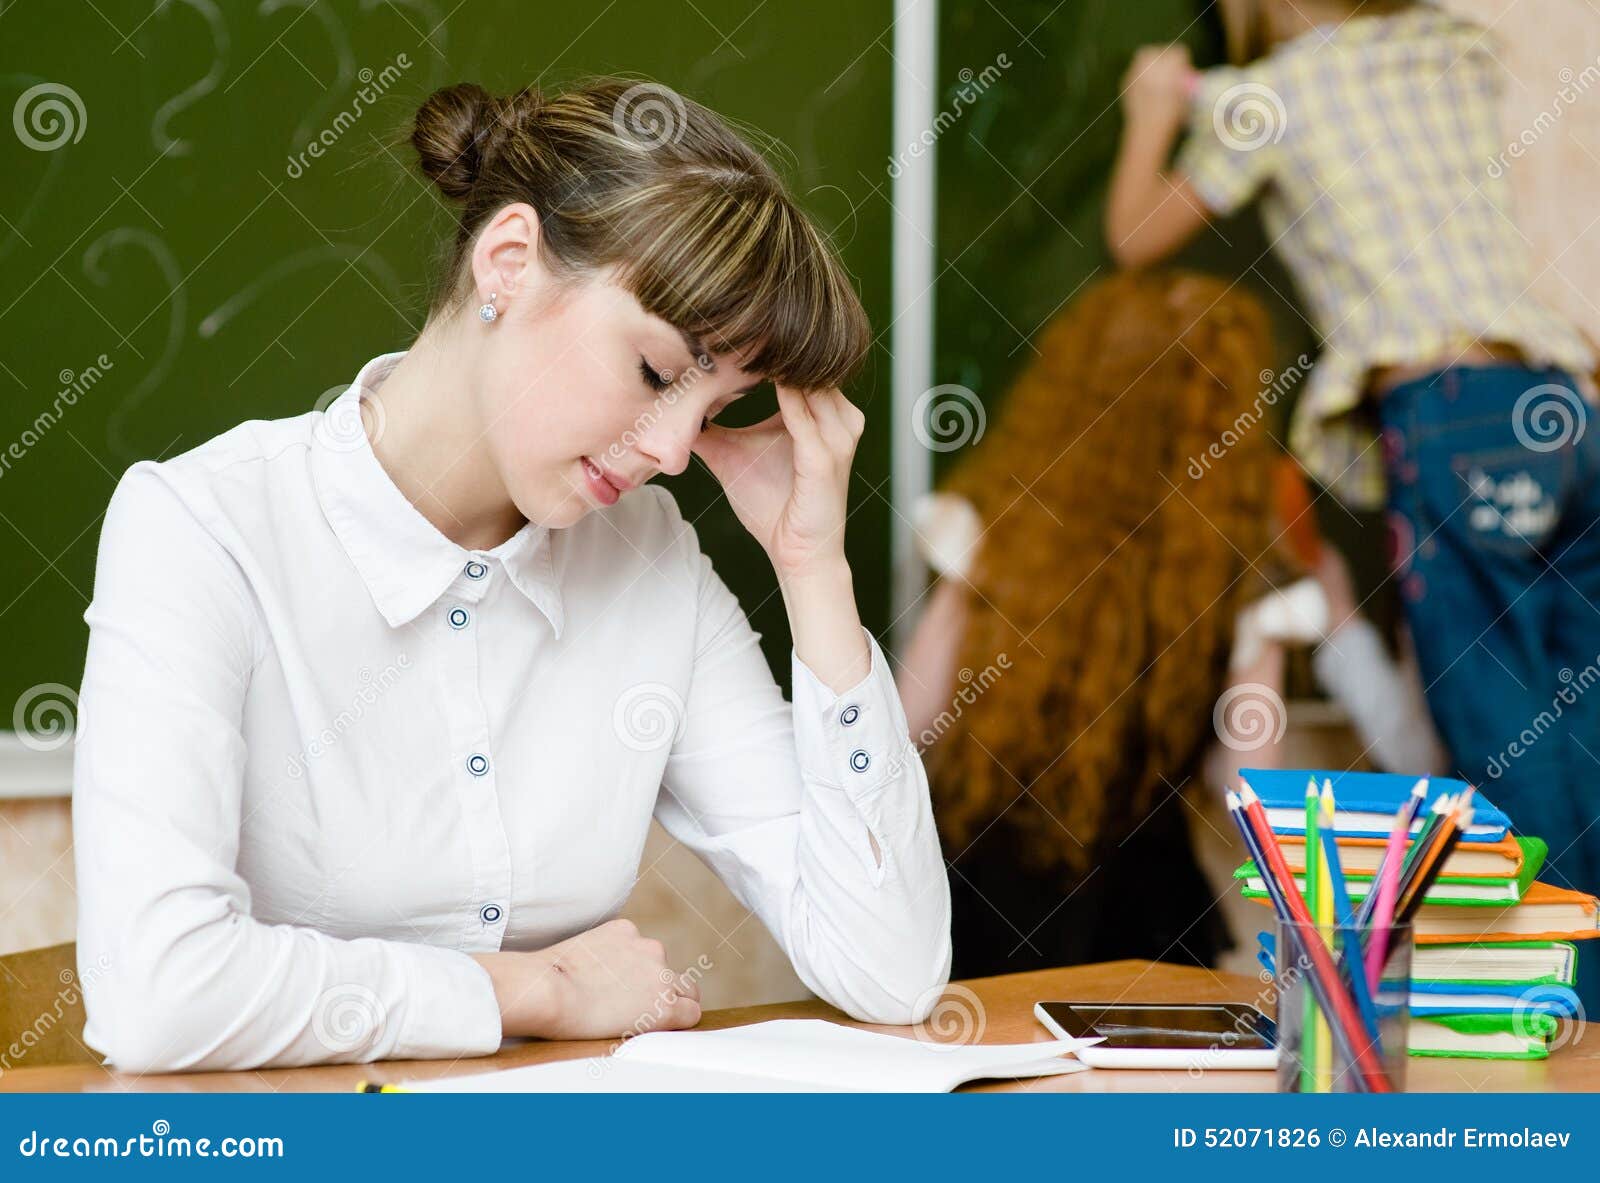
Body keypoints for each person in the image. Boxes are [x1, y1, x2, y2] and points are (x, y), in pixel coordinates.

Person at [71, 78, 951, 1073]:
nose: (672, 449)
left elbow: (891, 969)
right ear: (508, 262)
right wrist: (536, 988)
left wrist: (812, 570)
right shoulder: (203, 529)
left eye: (713, 410)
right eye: (659, 373)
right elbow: (159, 994)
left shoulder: (651, 560)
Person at [1106, 0, 1600, 1005]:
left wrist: (1154, 109)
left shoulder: (1270, 98)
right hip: (1562, 402)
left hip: (1450, 417)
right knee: (1577, 706)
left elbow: (1133, 233)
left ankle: (1570, 1011)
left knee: (1502, 723)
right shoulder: (1451, 50)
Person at [895, 270, 1277, 979]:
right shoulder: (1234, 580)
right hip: (1147, 931)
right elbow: (1258, 799)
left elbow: (909, 722)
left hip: (977, 910)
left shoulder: (996, 539)